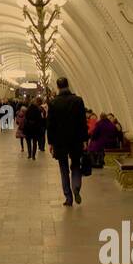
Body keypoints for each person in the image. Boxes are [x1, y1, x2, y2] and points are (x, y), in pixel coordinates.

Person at [46, 77, 89, 205]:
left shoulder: (53, 103)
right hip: (75, 140)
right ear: (68, 85)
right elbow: (82, 122)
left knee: (63, 168)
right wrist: (84, 139)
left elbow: (50, 125)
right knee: (76, 165)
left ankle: (68, 197)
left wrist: (51, 142)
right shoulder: (78, 101)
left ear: (58, 87)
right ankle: (76, 187)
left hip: (60, 142)